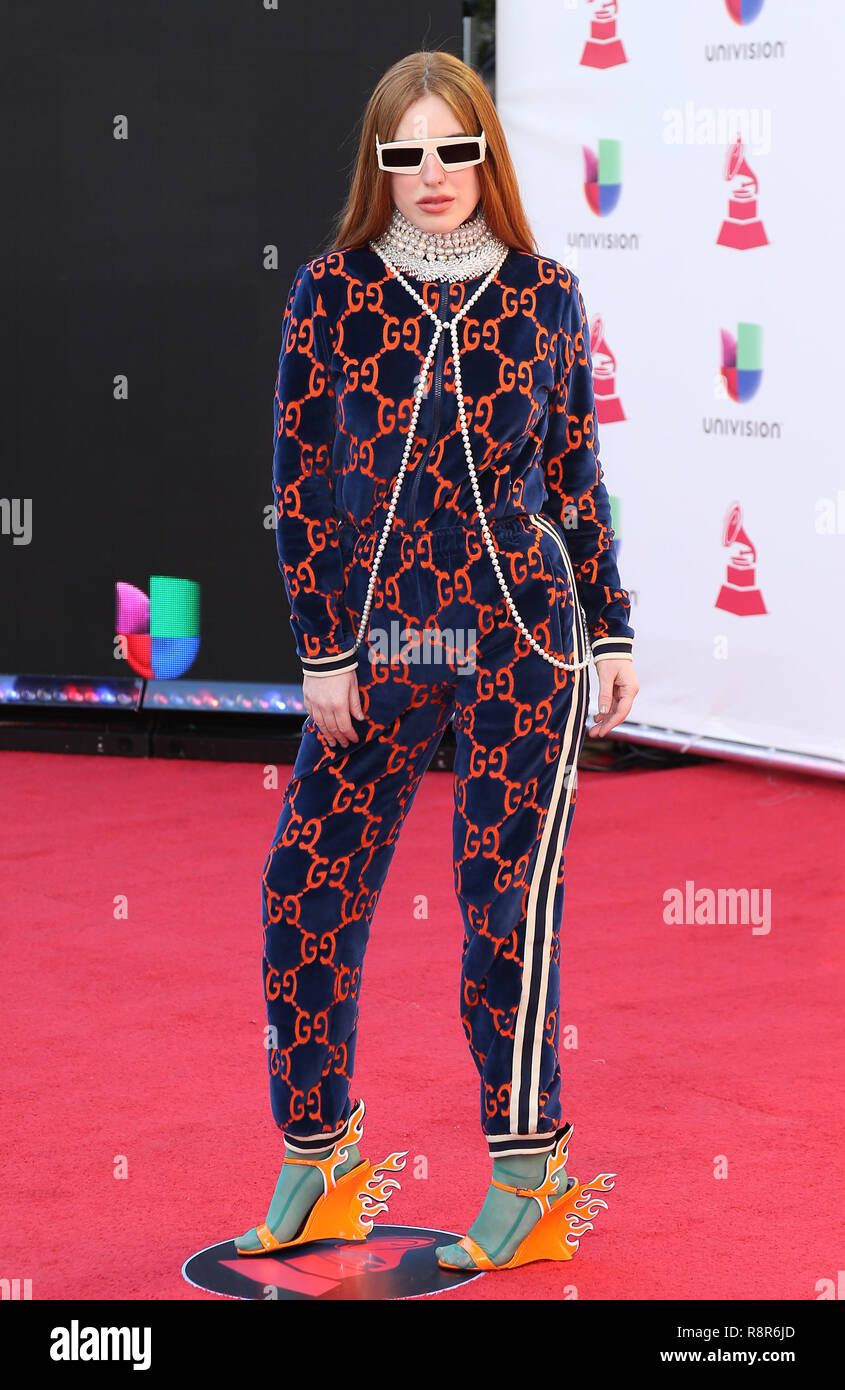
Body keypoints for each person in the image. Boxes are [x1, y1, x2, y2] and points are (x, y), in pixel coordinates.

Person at [236, 48, 639, 1273]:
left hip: (525, 642)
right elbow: (301, 484)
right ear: (376, 165)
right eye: (400, 153)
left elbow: (573, 476)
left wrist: (609, 625)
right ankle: (321, 1155)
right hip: (379, 646)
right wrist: (321, 649)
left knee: (503, 914)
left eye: (451, 150)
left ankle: (528, 1175)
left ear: (485, 156)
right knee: (302, 892)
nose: (428, 175)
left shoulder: (549, 293)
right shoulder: (329, 292)